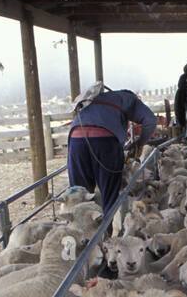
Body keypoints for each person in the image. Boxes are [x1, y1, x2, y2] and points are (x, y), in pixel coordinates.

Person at [67, 82, 158, 217]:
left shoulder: (99, 97)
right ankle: (108, 232)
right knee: (109, 190)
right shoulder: (130, 99)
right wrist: (141, 142)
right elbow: (150, 120)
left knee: (80, 192)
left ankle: (81, 232)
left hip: (76, 139)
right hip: (105, 141)